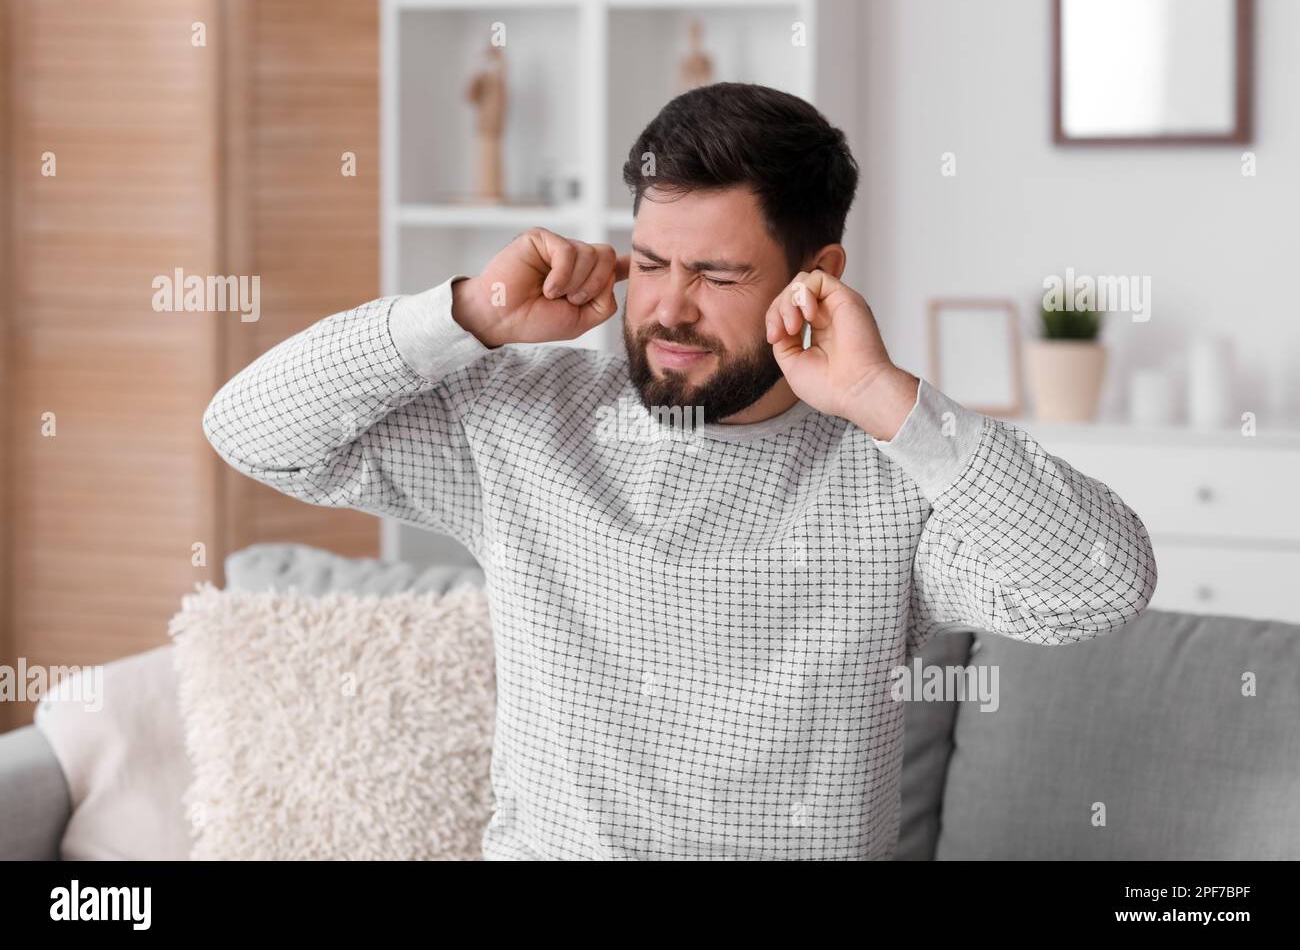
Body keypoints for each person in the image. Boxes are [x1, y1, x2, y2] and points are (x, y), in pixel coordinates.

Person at [204, 82, 1157, 860]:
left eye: (719, 275)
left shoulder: (886, 480)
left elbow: (1100, 586)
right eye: (652, 262)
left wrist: (882, 396)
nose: (669, 309)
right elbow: (252, 429)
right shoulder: (526, 419)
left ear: (817, 271)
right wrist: (470, 314)